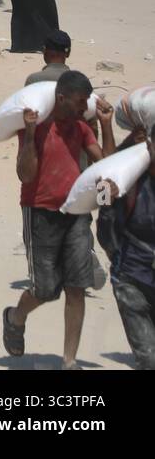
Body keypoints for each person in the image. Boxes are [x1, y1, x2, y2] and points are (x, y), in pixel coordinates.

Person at [3, 72, 115, 369]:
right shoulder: (37, 126)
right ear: (62, 98)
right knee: (45, 289)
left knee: (77, 287)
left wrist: (104, 126)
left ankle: (69, 361)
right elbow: (25, 175)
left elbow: (107, 169)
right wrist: (28, 133)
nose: (83, 108)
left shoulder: (82, 127)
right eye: (80, 102)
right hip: (39, 212)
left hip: (76, 214)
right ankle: (15, 317)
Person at [98, 126, 155, 370]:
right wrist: (105, 195)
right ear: (149, 146)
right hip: (133, 280)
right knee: (149, 361)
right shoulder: (129, 181)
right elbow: (101, 200)